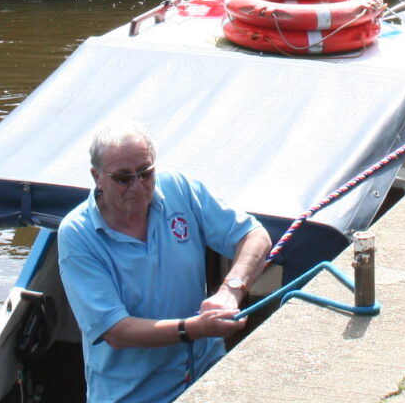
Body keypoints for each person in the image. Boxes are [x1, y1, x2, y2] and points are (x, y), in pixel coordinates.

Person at [58, 120, 272, 403]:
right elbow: (116, 331)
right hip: (132, 395)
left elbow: (255, 236)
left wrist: (231, 290)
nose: (137, 186)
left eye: (145, 173)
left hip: (207, 374)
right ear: (97, 176)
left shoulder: (178, 188)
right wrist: (196, 328)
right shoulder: (77, 234)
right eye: (123, 178)